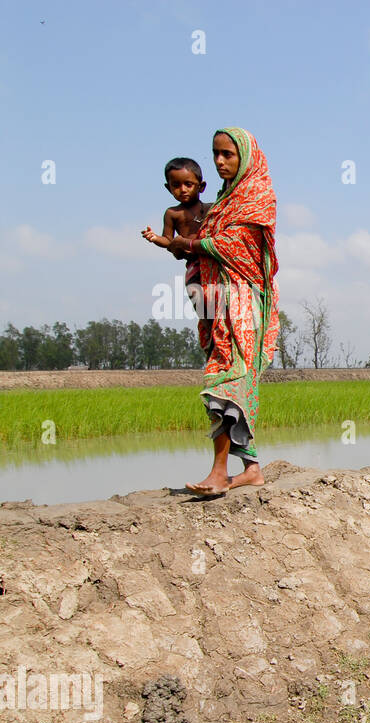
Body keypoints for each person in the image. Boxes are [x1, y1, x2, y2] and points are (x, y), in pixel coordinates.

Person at [176, 129, 279, 495]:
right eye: (215, 155)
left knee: (224, 383)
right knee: (236, 386)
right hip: (218, 305)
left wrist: (188, 242)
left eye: (227, 155)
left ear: (245, 157)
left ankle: (220, 472)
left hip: (245, 308)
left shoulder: (258, 196)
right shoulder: (221, 201)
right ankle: (251, 469)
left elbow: (234, 246)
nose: (220, 162)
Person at [141, 158, 210, 316]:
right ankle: (208, 329)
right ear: (168, 188)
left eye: (188, 184)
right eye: (176, 185)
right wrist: (155, 238)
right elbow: (168, 240)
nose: (183, 189)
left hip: (212, 262)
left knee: (221, 303)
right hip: (193, 264)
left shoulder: (210, 209)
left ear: (201, 187)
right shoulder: (172, 213)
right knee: (199, 301)